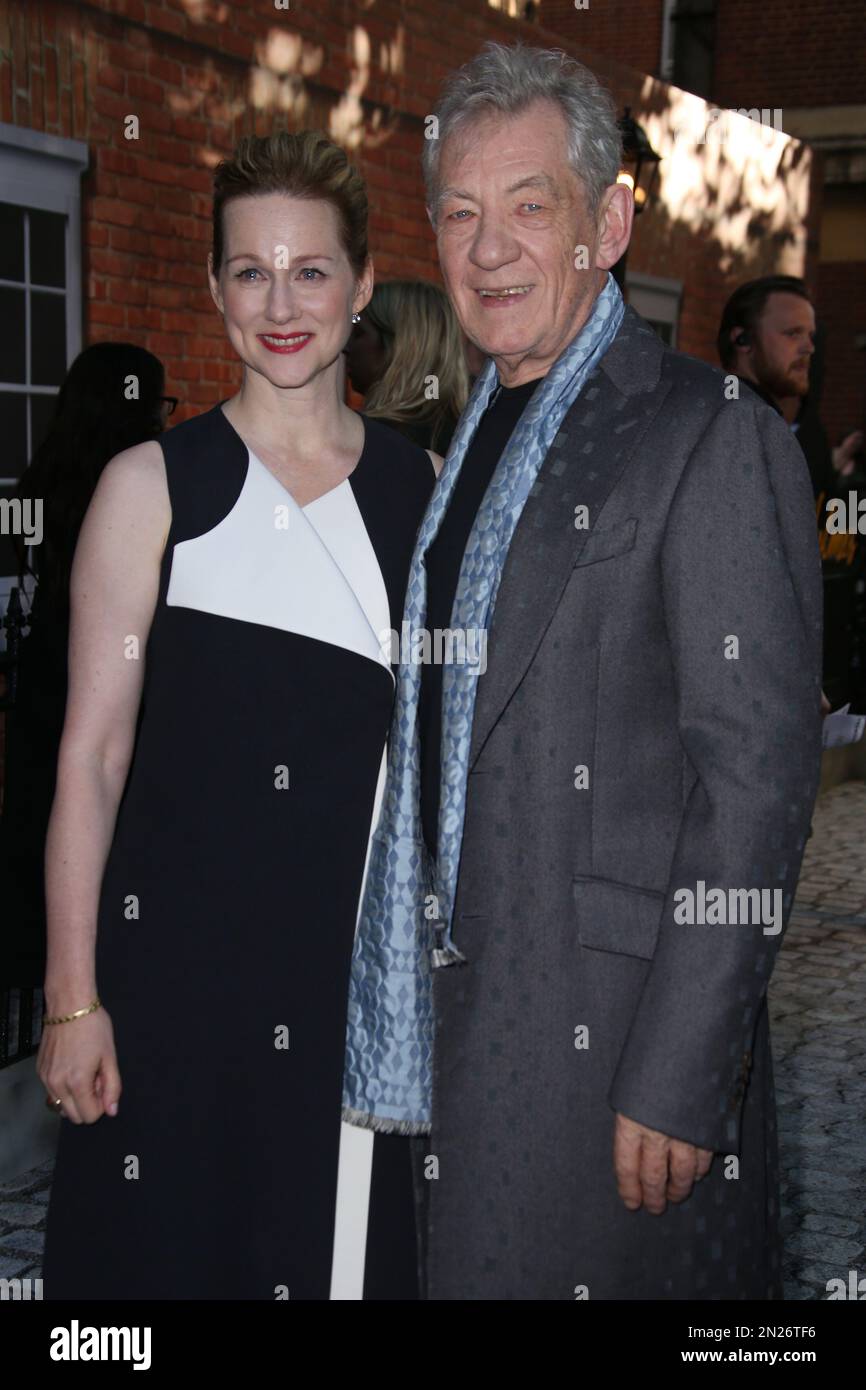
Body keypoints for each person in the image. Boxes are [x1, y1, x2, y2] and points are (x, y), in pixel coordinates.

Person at [341, 41, 824, 1300]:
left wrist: (678, 1070)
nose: (486, 246)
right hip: (467, 1041)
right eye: (457, 210)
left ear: (606, 223)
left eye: (527, 204)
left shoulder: (705, 434)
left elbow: (756, 779)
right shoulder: (471, 435)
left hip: (612, 1058)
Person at [38, 129, 439, 1300]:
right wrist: (73, 998)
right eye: (250, 271)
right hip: (170, 990)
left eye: (309, 270)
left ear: (360, 285)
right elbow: (91, 757)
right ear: (213, 286)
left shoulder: (417, 489)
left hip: (346, 994)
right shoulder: (148, 487)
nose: (280, 302)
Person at [0, 344, 169, 993]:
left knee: (50, 825)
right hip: (105, 685)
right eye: (157, 403)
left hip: (52, 681)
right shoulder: (137, 488)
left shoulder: (52, 477)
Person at [718, 277, 862, 708]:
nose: (808, 348)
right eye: (791, 333)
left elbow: (830, 531)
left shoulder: (796, 436)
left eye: (811, 336)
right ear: (742, 340)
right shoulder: (731, 428)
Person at [343, 279, 468, 453]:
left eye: (358, 334)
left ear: (398, 345)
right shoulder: (469, 433)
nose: (346, 347)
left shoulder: (375, 439)